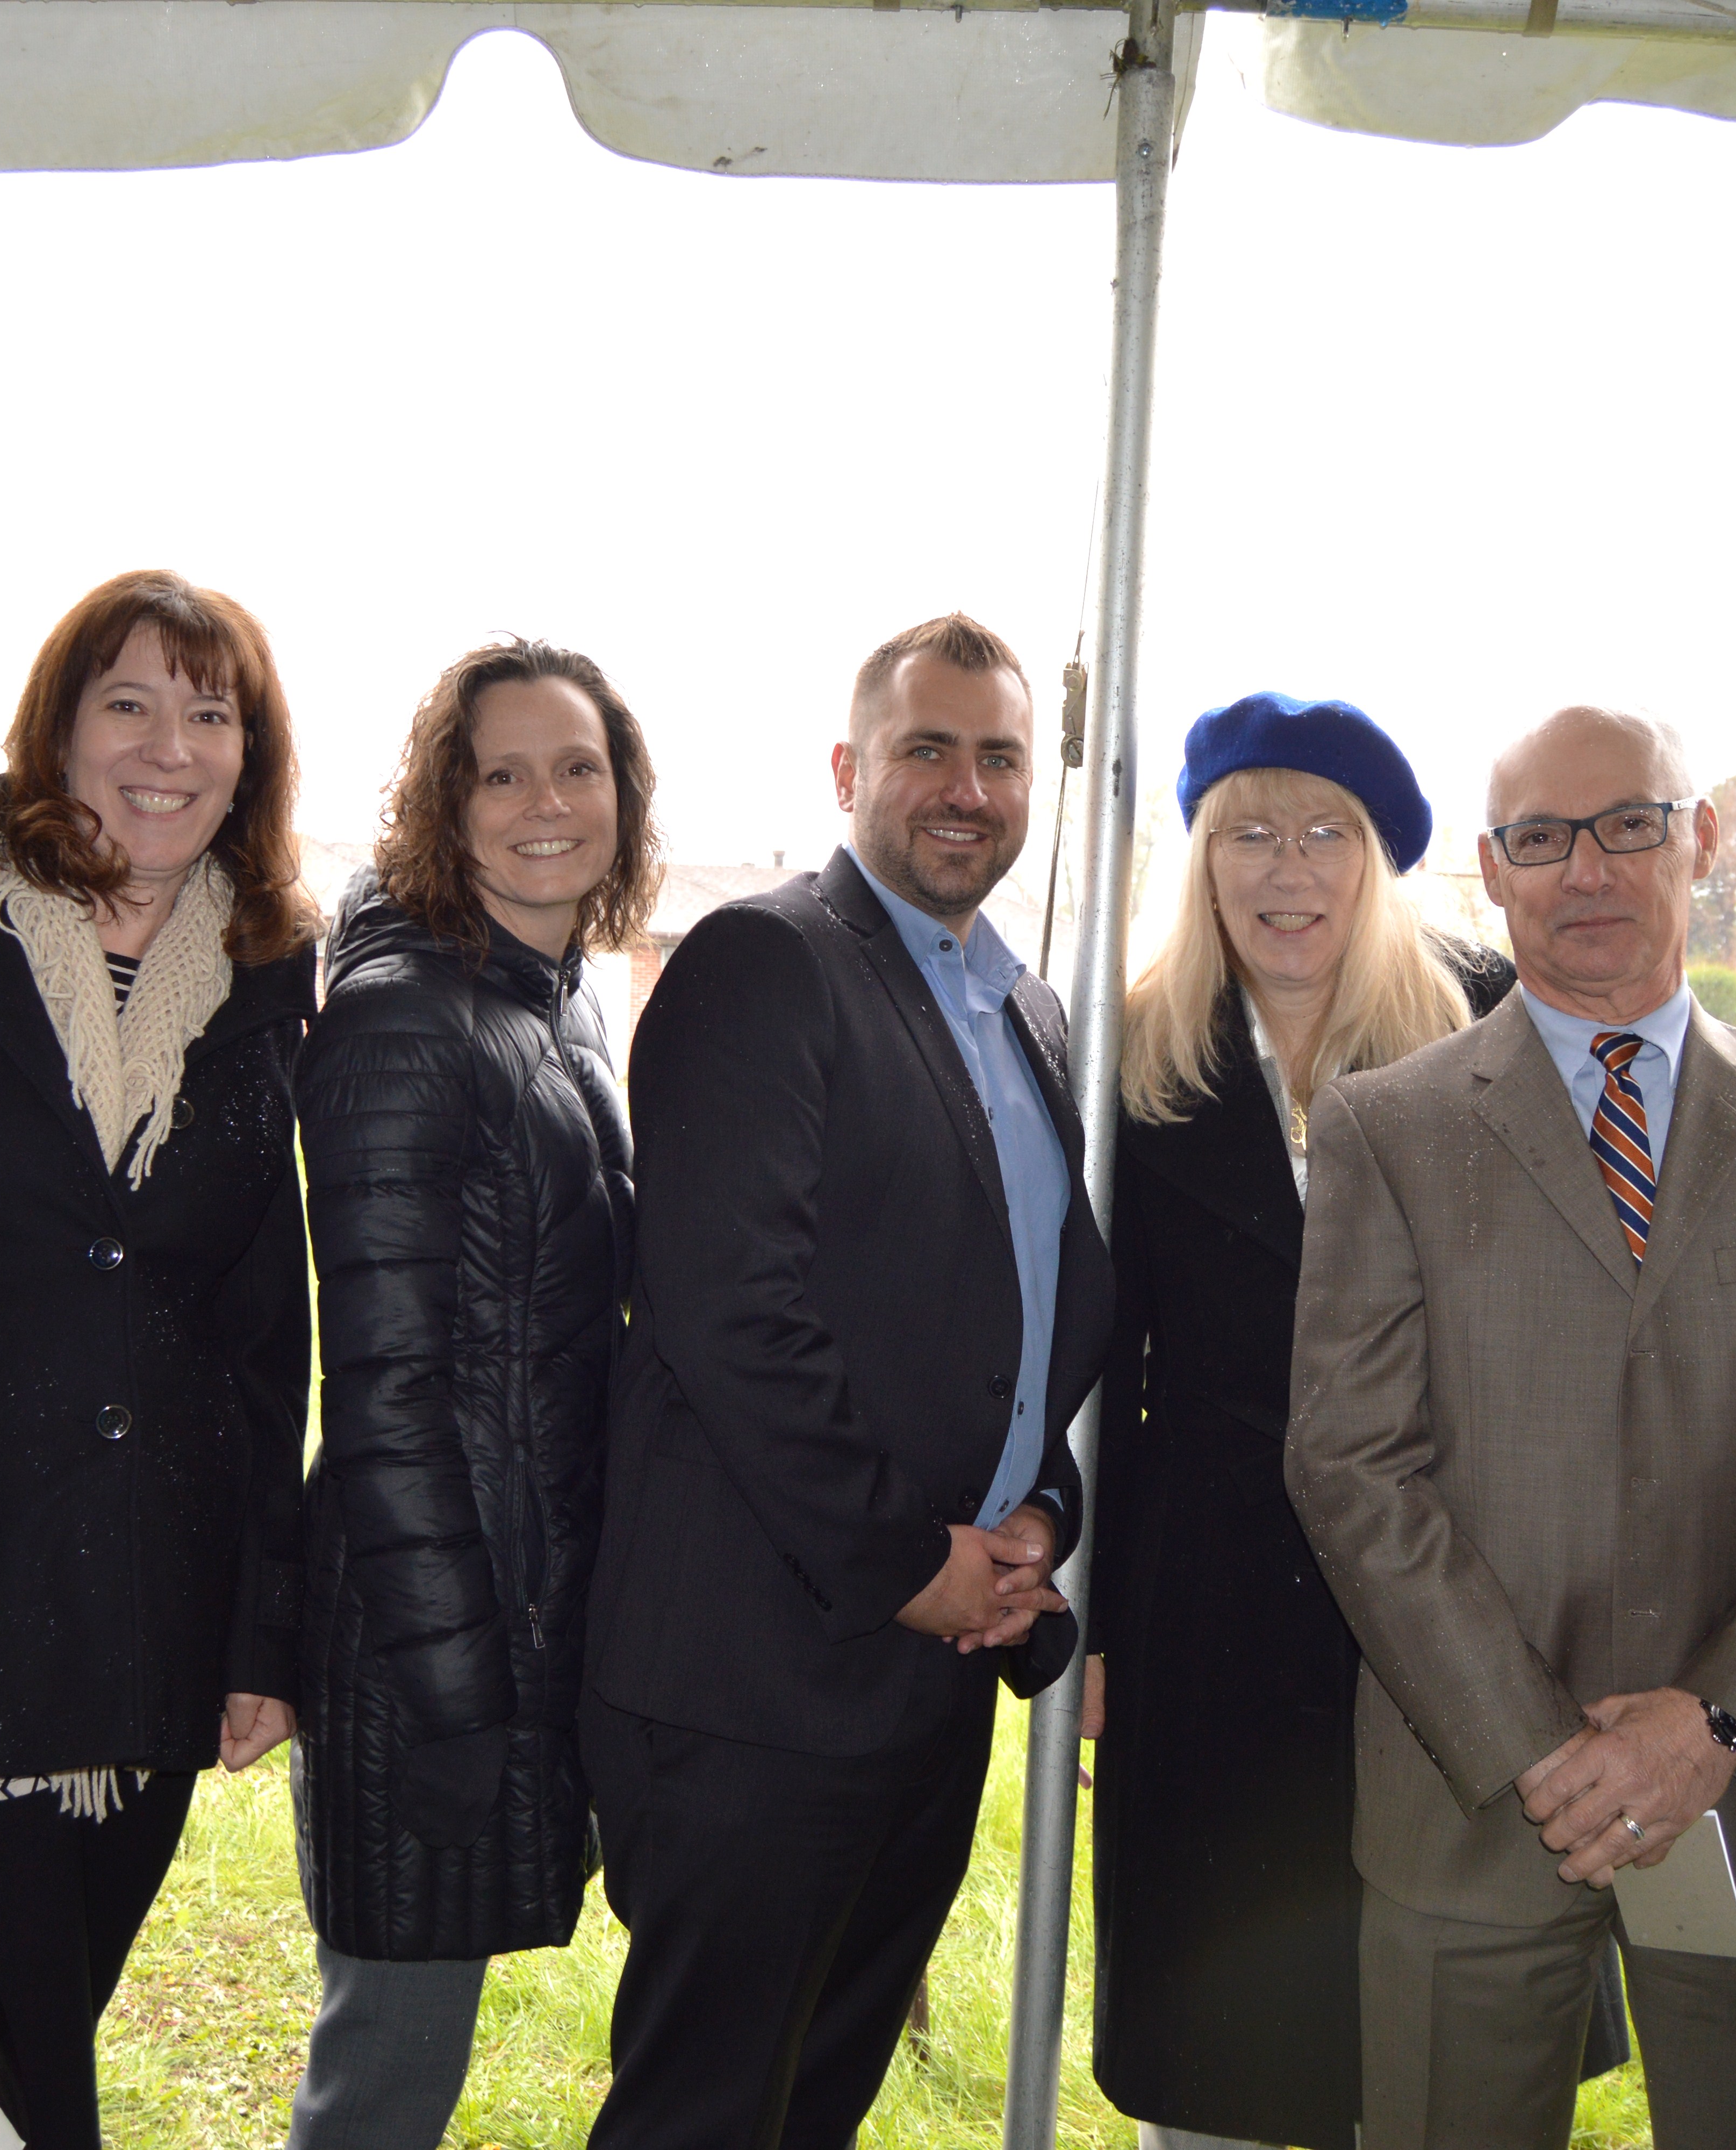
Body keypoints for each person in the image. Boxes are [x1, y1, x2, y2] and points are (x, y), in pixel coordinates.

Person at [1283, 705, 1736, 2150]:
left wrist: (1718, 1721)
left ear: (1705, 841)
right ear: (1492, 872)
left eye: (1632, 825)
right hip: (1477, 1808)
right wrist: (1541, 1752)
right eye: (1543, 840)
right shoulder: (1388, 1129)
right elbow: (1350, 1463)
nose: (1588, 871)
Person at [583, 612, 1114, 2150]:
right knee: (703, 2113)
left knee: (817, 2103)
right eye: (926, 749)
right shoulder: (767, 961)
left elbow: (1022, 1316)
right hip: (756, 1683)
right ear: (847, 770)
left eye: (1000, 755)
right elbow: (729, 1315)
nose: (968, 786)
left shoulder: (1026, 1011)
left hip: (925, 1679)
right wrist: (906, 1562)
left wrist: (1036, 1517)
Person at [1087, 693, 1645, 2150]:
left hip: (1447, 1589)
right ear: (1203, 859)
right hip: (1206, 1604)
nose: (1289, 869)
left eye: (1327, 832)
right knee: (1220, 2012)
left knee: (1432, 2012)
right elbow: (1105, 1370)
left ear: (1381, 861)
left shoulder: (1488, 1031)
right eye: (1251, 833)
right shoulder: (1135, 1059)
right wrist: (1094, 1630)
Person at [0, 568, 320, 2146]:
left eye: (213, 712)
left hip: (147, 1623)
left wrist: (261, 1630)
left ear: (251, 756)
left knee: (17, 2048)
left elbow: (265, 1341)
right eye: (128, 700)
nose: (169, 747)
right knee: (1, 2073)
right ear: (59, 725)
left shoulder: (267, 979)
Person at [282, 637, 658, 2147]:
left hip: (518, 1619)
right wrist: (452, 1701)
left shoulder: (547, 1005)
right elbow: (385, 1399)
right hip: (423, 1650)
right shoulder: (401, 1025)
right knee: (385, 2070)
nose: (545, 803)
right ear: (447, 804)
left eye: (578, 769)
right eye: (502, 773)